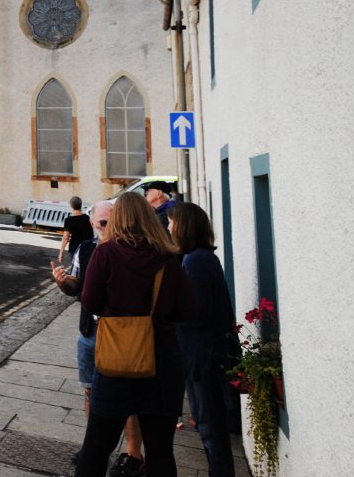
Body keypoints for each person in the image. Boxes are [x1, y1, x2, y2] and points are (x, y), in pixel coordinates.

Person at [74, 193, 197, 477]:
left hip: (118, 359)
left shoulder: (106, 253)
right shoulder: (168, 257)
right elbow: (189, 310)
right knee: (161, 451)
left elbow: (89, 301)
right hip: (162, 361)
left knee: (97, 446)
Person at [168, 203, 236, 477]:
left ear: (184, 226)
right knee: (210, 425)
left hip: (202, 357)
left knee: (210, 427)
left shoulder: (195, 260)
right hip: (206, 353)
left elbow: (197, 312)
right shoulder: (204, 257)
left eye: (172, 222)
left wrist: (167, 311)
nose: (169, 227)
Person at [52, 199, 114, 414]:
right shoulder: (86, 250)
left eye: (112, 222)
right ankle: (93, 443)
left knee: (125, 396)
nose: (107, 228)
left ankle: (133, 448)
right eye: (103, 223)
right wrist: (62, 282)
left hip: (121, 332)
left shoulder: (129, 249)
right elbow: (75, 287)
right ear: (92, 222)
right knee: (90, 390)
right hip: (90, 330)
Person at [58, 195, 94, 264]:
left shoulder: (68, 220)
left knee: (75, 271)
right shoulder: (88, 218)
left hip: (74, 249)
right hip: (88, 248)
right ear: (81, 205)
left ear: (71, 206)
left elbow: (65, 238)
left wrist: (61, 253)